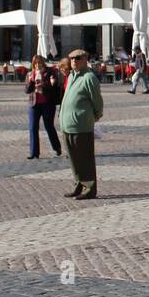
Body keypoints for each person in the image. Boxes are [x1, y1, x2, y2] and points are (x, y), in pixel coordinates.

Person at [59, 49, 103, 199]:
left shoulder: (89, 77)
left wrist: (95, 115)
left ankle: (89, 187)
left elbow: (97, 100)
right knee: (73, 158)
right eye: (71, 59)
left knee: (85, 158)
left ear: (85, 59)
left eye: (77, 58)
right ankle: (78, 183)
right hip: (67, 125)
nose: (73, 61)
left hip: (81, 124)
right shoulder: (71, 76)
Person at [26, 55, 63, 158]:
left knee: (49, 126)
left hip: (47, 103)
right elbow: (27, 90)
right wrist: (31, 81)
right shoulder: (30, 74)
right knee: (33, 127)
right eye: (35, 63)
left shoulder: (50, 73)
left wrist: (44, 85)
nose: (37, 65)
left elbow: (53, 86)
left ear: (43, 63)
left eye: (39, 63)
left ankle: (57, 147)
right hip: (34, 104)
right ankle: (34, 153)